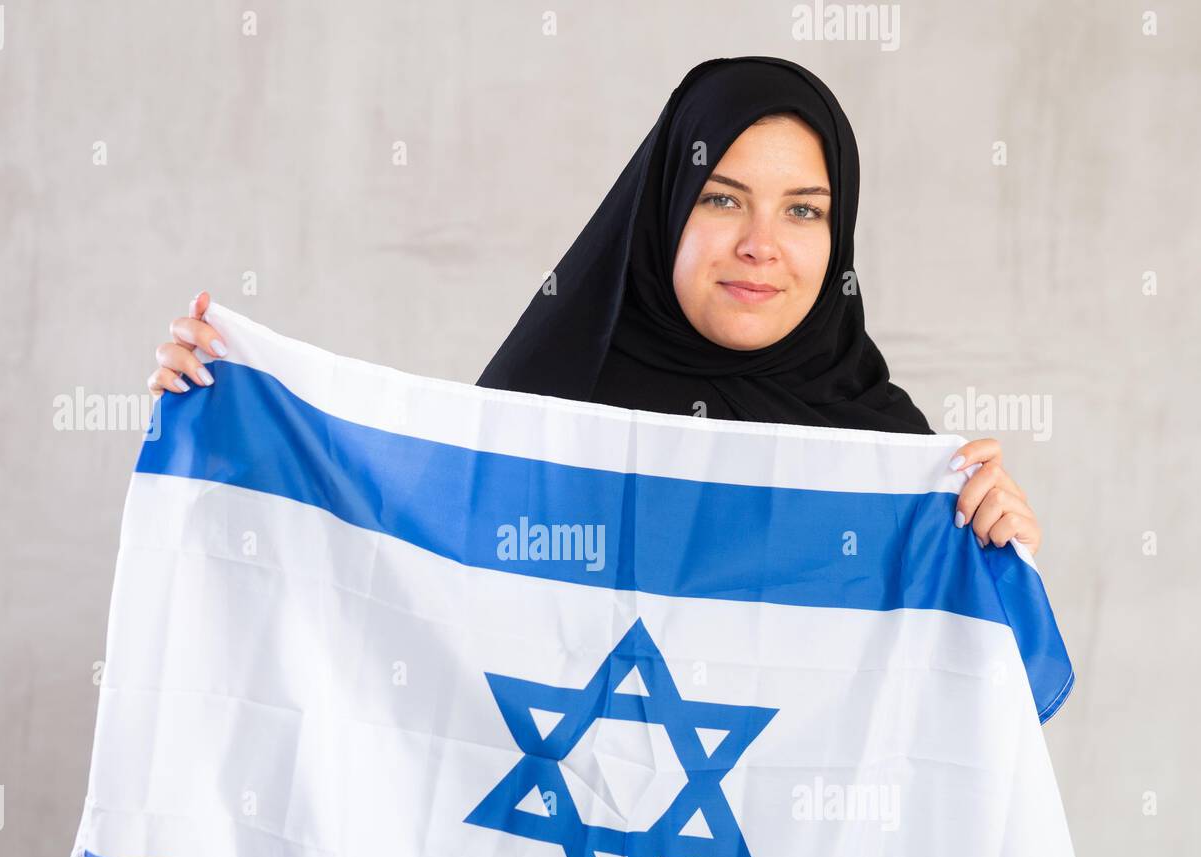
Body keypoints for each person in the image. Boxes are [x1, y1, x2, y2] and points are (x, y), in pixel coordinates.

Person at [147, 56, 1042, 555]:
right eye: (721, 199)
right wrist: (237, 428)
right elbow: (384, 573)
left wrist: (997, 563)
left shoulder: (889, 461)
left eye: (803, 210)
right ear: (660, 215)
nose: (761, 243)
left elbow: (961, 730)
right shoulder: (544, 410)